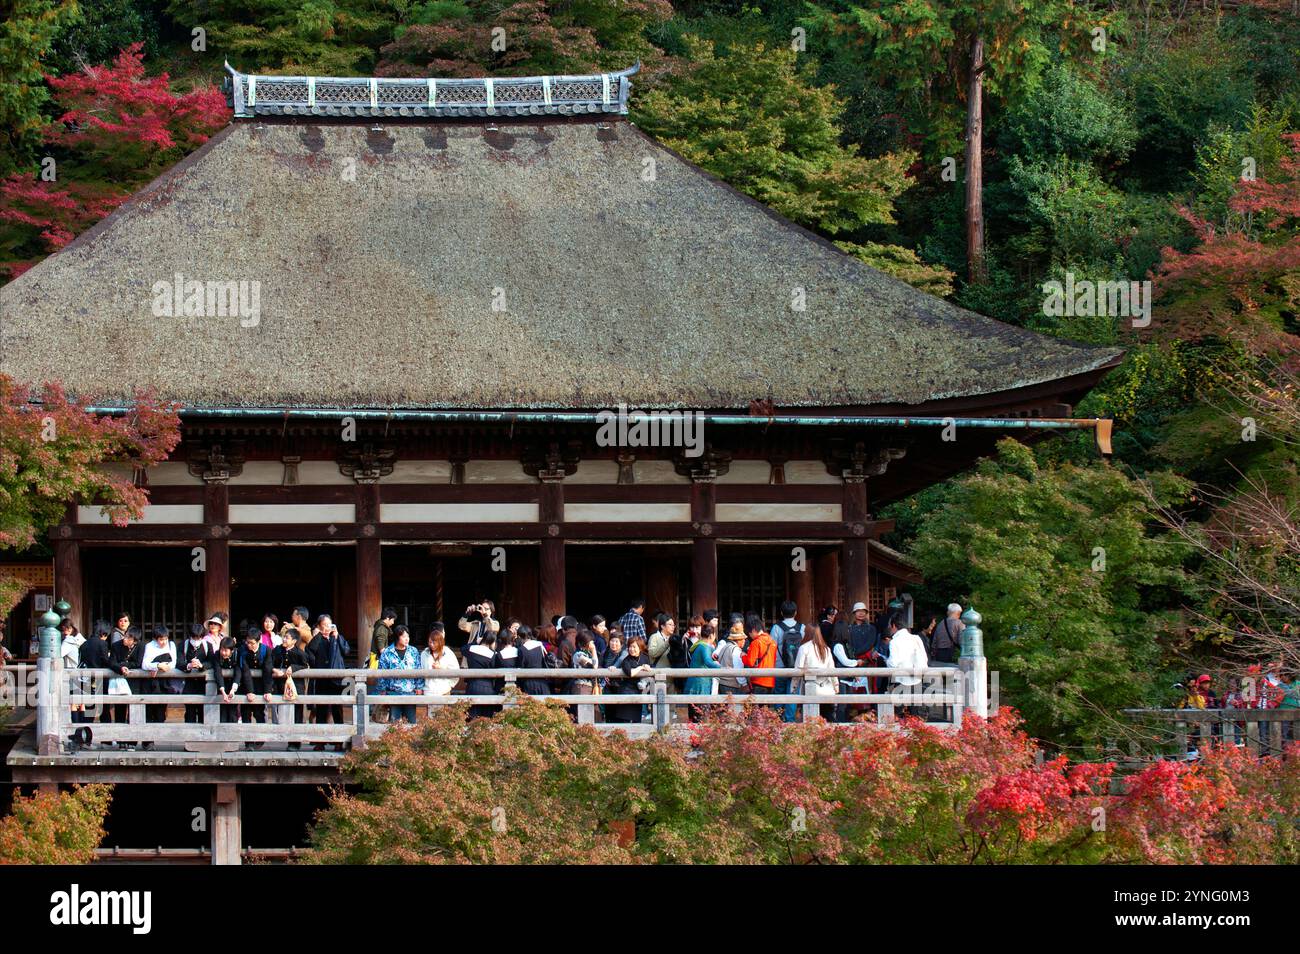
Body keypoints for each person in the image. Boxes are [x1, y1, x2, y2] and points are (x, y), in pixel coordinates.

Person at [306, 614, 347, 745]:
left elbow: (346, 650)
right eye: (324, 625)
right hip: (322, 679)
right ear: (319, 626)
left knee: (337, 710)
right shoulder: (317, 639)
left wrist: (337, 636)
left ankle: (339, 742)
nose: (327, 628)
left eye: (329, 625)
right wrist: (318, 635)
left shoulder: (337, 637)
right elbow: (310, 651)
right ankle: (320, 742)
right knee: (321, 710)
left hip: (336, 679)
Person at [269, 625, 309, 746]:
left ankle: (295, 743)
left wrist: (293, 667)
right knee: (281, 711)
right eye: (284, 637)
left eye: (287, 638)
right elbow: (268, 662)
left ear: (294, 641)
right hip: (280, 686)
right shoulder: (277, 650)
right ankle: (280, 736)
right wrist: (274, 670)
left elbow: (305, 665)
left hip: (296, 686)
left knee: (297, 713)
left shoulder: (300, 653)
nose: (284, 640)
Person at [883, 612, 928, 717]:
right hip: (917, 679)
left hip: (901, 681)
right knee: (916, 716)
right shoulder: (916, 638)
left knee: (900, 715)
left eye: (891, 626)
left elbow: (893, 663)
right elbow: (924, 659)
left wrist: (886, 661)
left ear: (894, 625)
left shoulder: (895, 641)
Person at [141, 625, 182, 737]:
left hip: (165, 683)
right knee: (148, 711)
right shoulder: (149, 646)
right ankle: (148, 741)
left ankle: (157, 736)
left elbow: (173, 663)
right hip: (151, 683)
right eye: (161, 639)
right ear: (155, 638)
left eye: (165, 639)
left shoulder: (171, 645)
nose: (163, 642)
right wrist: (158, 665)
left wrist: (156, 667)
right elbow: (145, 664)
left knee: (160, 712)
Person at [377, 625, 422, 723]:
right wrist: (382, 689)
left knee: (412, 722)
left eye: (408, 636)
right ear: (397, 637)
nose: (407, 639)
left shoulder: (413, 651)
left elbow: (418, 669)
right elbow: (381, 672)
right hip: (393, 692)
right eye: (404, 637)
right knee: (394, 723)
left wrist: (419, 687)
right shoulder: (387, 652)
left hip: (410, 691)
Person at [795, 625, 838, 721]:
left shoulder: (804, 648)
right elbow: (832, 669)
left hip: (810, 689)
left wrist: (793, 688)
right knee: (827, 719)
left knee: (810, 720)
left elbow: (798, 669)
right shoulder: (826, 649)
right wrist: (836, 685)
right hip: (827, 689)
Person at [607, 636, 653, 724]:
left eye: (634, 647)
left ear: (640, 648)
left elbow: (649, 668)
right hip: (626, 690)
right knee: (624, 720)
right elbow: (630, 673)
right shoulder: (626, 660)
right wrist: (640, 667)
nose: (631, 649)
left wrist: (647, 667)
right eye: (630, 647)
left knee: (636, 719)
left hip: (638, 691)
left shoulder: (645, 657)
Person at [772, 604, 805, 723]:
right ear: (796, 612)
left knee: (779, 692)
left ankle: (777, 719)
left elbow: (773, 647)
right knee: (793, 692)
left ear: (781, 613)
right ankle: (790, 720)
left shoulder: (776, 628)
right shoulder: (802, 628)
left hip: (780, 666)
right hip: (796, 666)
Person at [237, 627, 273, 730]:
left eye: (252, 643)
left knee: (259, 712)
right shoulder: (242, 650)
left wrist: (268, 690)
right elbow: (245, 670)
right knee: (246, 713)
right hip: (246, 684)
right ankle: (248, 742)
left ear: (258, 641)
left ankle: (260, 738)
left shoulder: (266, 650)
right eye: (247, 642)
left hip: (260, 684)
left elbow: (267, 670)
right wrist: (249, 691)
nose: (249, 645)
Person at [420, 623, 459, 717]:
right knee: (430, 717)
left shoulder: (448, 653)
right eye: (430, 642)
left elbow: (456, 671)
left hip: (443, 689)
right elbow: (420, 669)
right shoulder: (424, 653)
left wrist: (449, 684)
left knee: (443, 717)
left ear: (440, 641)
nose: (431, 645)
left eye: (434, 642)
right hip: (428, 689)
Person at [685, 625, 722, 721]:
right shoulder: (704, 647)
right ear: (712, 635)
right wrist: (722, 668)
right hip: (701, 685)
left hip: (694, 684)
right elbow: (708, 662)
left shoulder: (699, 644)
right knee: (702, 718)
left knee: (694, 718)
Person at [107, 627, 142, 729]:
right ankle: (120, 739)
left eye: (129, 638)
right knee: (120, 709)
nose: (125, 639)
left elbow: (138, 663)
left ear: (135, 641)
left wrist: (125, 664)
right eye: (125, 636)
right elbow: (112, 663)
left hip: (135, 681)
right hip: (120, 679)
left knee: (134, 710)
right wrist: (121, 668)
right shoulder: (116, 646)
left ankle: (132, 741)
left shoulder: (141, 646)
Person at [78, 621, 113, 724]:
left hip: (86, 678)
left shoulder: (84, 644)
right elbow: (106, 661)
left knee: (89, 709)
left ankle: (85, 735)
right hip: (100, 678)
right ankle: (106, 738)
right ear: (103, 633)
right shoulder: (102, 643)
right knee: (104, 709)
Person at [181, 623, 216, 723]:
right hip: (188, 684)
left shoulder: (207, 645)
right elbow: (178, 662)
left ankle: (203, 736)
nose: (196, 641)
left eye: (199, 638)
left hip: (203, 684)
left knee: (203, 711)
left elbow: (211, 661)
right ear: (190, 636)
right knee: (189, 712)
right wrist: (188, 665)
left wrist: (201, 666)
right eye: (194, 638)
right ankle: (189, 734)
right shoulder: (184, 645)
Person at [742, 615, 777, 698]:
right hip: (770, 680)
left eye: (749, 633)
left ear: (753, 630)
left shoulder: (756, 642)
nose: (750, 636)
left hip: (758, 680)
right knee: (765, 709)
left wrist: (743, 656)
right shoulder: (772, 642)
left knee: (757, 709)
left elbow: (750, 662)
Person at [715, 615, 748, 697]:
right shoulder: (736, 650)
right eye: (742, 639)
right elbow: (738, 671)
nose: (744, 641)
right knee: (734, 708)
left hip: (722, 683)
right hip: (732, 685)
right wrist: (744, 684)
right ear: (738, 640)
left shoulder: (726, 645)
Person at [212, 637, 242, 725]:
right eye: (222, 650)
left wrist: (233, 690)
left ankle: (233, 736)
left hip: (234, 685)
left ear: (232, 650)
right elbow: (217, 672)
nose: (223, 653)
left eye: (226, 651)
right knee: (222, 712)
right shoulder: (217, 655)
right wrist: (223, 691)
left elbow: (238, 672)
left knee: (233, 712)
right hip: (222, 685)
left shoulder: (237, 655)